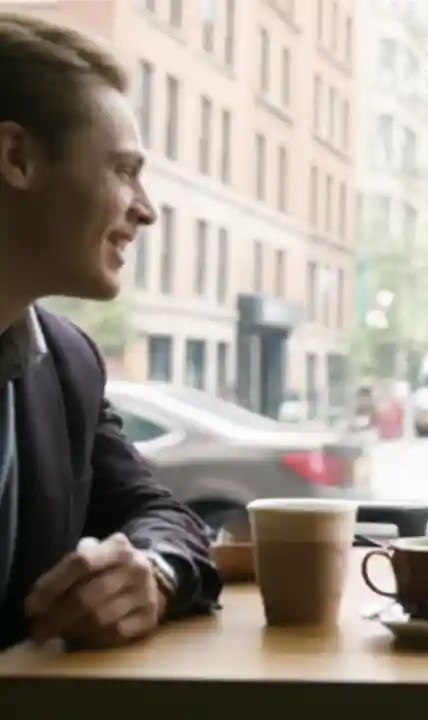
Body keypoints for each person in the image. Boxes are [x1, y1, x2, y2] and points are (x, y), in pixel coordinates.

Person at [0, 14, 220, 650]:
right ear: (15, 158)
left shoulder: (68, 363)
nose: (146, 210)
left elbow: (161, 515)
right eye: (124, 170)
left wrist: (151, 573)